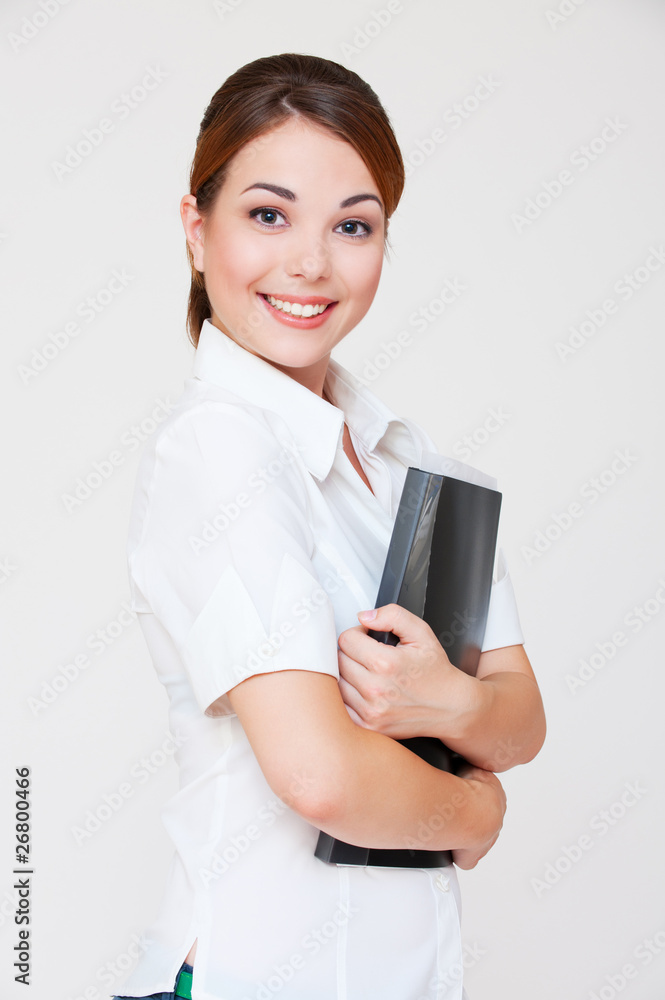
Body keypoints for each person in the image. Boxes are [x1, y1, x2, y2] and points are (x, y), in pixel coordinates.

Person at [112, 52, 545, 1000]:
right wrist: (474, 815)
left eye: (352, 225)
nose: (310, 262)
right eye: (268, 214)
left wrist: (450, 707)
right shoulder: (215, 448)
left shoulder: (411, 466)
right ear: (196, 229)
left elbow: (521, 717)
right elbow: (318, 774)